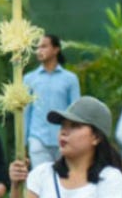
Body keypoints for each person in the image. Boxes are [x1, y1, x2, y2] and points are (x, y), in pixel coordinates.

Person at [24, 34, 81, 169]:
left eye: (44, 46)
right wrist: (23, 145)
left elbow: (76, 111)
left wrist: (76, 140)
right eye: (37, 48)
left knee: (63, 182)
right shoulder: (29, 79)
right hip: (37, 138)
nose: (39, 51)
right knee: (42, 181)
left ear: (56, 49)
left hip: (64, 139)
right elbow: (26, 113)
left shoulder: (70, 79)